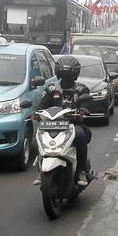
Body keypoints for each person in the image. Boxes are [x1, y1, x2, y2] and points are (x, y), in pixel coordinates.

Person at [41, 55, 92, 186]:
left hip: (74, 125)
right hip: (52, 125)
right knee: (39, 136)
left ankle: (81, 171)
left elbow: (86, 104)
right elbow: (42, 105)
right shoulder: (51, 88)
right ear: (59, 73)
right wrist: (34, 113)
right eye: (64, 74)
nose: (66, 77)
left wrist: (83, 110)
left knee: (80, 135)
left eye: (69, 74)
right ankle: (40, 167)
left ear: (75, 74)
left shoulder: (81, 89)